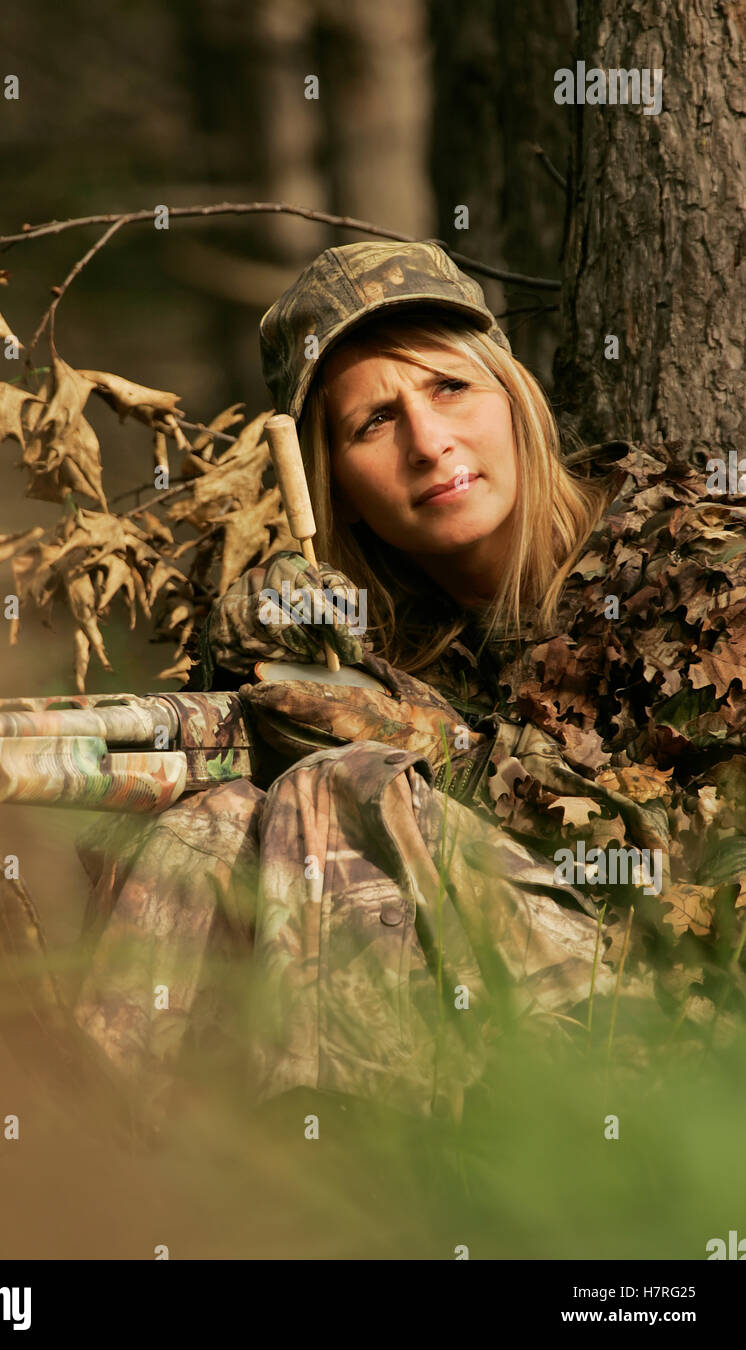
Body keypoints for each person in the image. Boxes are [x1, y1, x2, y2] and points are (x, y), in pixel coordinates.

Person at [72, 240, 746, 1135]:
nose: (429, 444)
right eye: (373, 424)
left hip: (673, 1036)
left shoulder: (699, 557)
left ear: (514, 399)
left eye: (449, 389)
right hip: (460, 1031)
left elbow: (699, 885)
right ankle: (106, 1185)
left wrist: (434, 748)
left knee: (338, 783)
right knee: (216, 820)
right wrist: (243, 672)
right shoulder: (382, 631)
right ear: (336, 488)